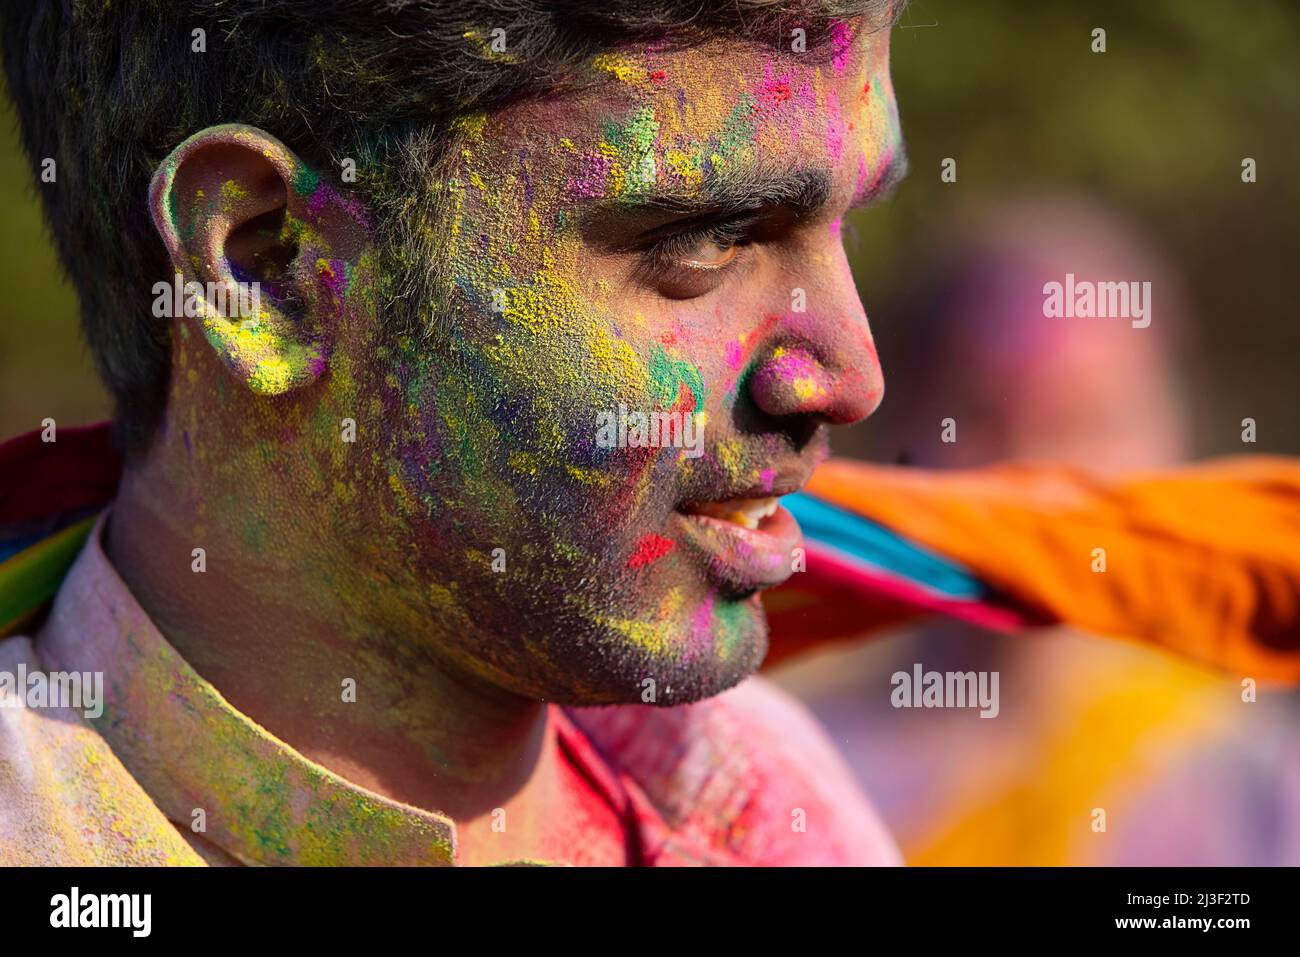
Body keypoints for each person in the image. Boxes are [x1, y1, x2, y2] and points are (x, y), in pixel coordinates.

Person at [0, 1, 909, 865]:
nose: (852, 379)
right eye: (710, 237)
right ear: (266, 270)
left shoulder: (769, 798)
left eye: (850, 229)